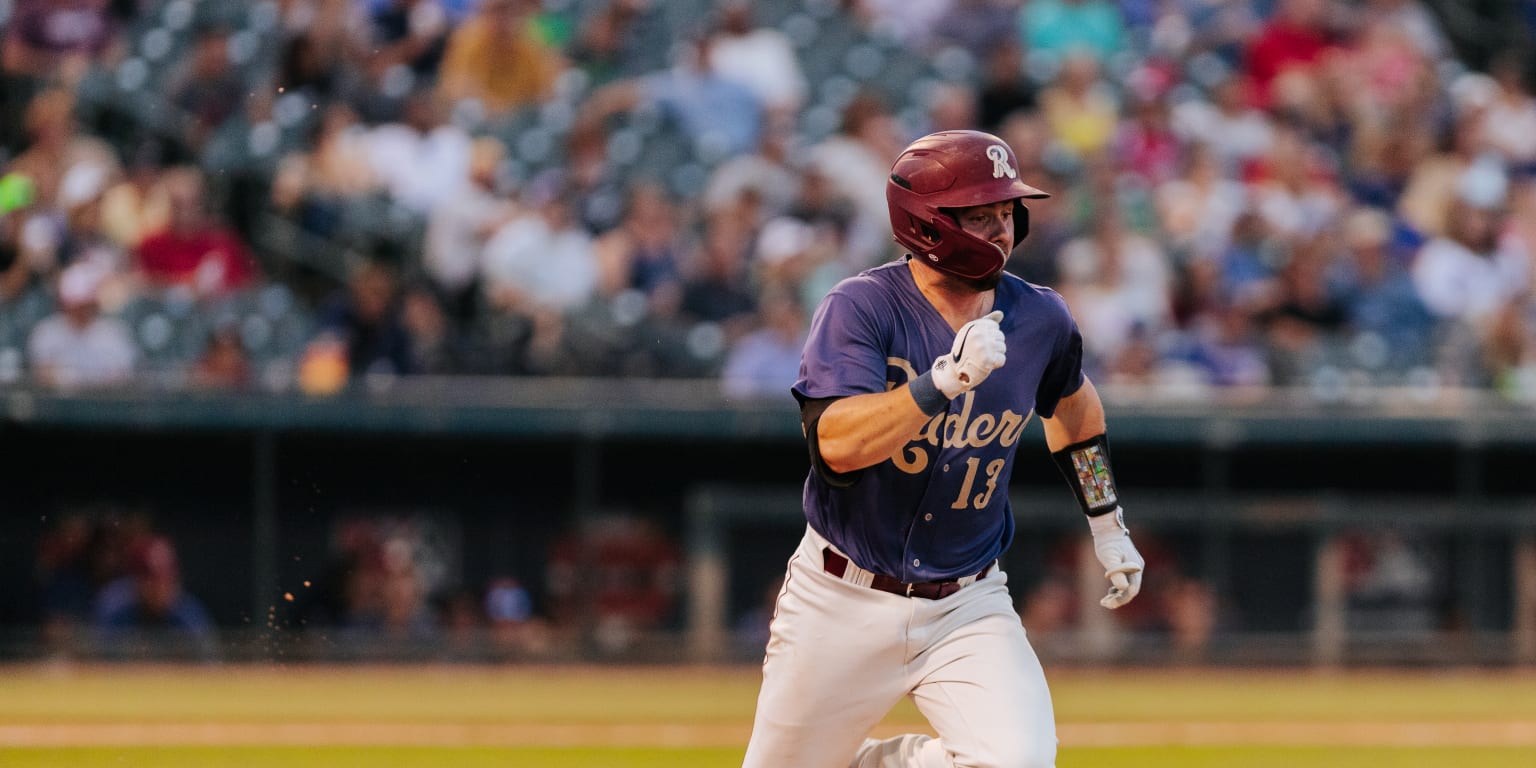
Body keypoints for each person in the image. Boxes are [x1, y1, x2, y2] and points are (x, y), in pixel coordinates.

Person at [742, 130, 1147, 768]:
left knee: (1016, 761)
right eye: (978, 215)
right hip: (842, 594)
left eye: (1006, 211)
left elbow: (1076, 409)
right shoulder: (862, 305)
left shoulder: (1039, 317)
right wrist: (942, 383)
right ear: (926, 224)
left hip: (967, 599)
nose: (1000, 229)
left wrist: (1106, 522)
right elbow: (836, 443)